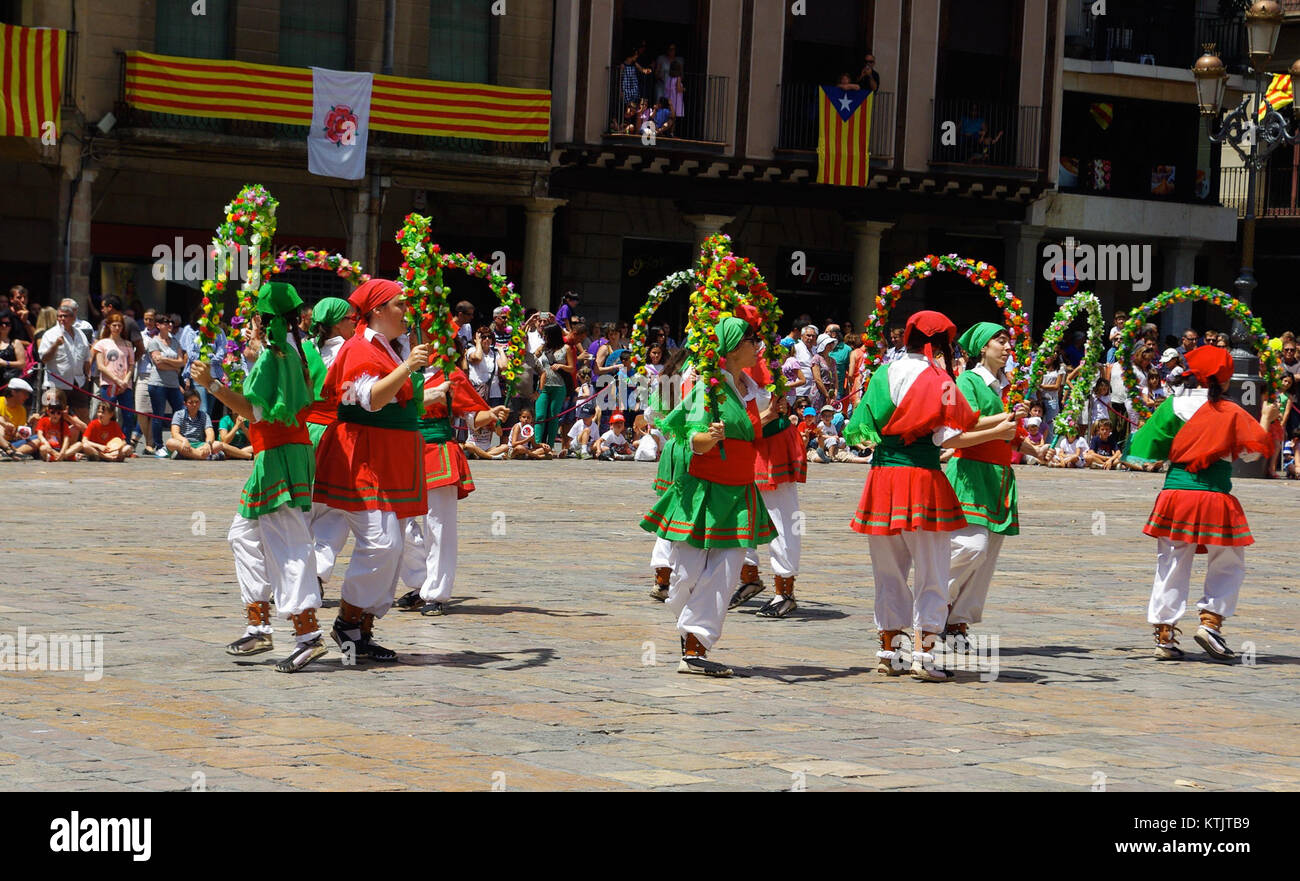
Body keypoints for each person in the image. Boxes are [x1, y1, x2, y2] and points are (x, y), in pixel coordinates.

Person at [845, 311, 1016, 682]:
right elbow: (952, 433)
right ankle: (925, 655)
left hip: (882, 477)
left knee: (888, 570)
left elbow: (860, 428)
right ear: (939, 344)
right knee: (933, 571)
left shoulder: (881, 373)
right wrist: (1000, 429)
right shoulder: (939, 379)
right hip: (922, 479)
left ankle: (889, 651)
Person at [195, 282, 329, 673]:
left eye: (255, 318)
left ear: (263, 321)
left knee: (289, 545)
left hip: (279, 456)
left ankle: (308, 636)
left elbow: (255, 411)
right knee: (242, 535)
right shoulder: (299, 351)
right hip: (282, 452)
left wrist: (213, 385)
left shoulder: (275, 355)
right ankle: (258, 624)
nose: (251, 327)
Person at [641, 317, 777, 676]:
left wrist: (767, 418)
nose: (758, 345)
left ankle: (695, 646)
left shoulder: (736, 387)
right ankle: (686, 625)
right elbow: (696, 440)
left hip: (737, 491)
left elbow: (743, 434)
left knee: (726, 569)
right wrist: (711, 437)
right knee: (687, 575)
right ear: (733, 348)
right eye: (752, 339)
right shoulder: (709, 390)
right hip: (704, 490)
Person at [1125, 346, 1275, 663]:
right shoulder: (1232, 412)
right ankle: (1211, 622)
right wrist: (1264, 418)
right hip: (1214, 494)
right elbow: (1253, 452)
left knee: (1171, 562)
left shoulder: (1173, 405)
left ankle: (1164, 635)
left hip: (1176, 494)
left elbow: (1147, 445)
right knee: (1228, 558)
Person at [312, 279, 431, 662]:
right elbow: (370, 399)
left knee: (392, 545)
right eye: (399, 305)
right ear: (377, 310)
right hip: (362, 455)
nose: (405, 312)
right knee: (383, 542)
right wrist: (409, 367)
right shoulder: (358, 347)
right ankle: (347, 619)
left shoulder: (387, 347)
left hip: (387, 456)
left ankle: (362, 628)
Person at [943, 323, 1048, 641]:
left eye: (1008, 342)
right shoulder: (968, 380)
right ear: (982, 348)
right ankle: (935, 596)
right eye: (999, 341)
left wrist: (1036, 449)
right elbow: (966, 421)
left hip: (999, 476)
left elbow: (1012, 435)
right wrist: (1009, 418)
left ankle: (958, 618)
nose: (1006, 347)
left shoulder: (1003, 386)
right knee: (971, 546)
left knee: (987, 556)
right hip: (971, 473)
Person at [394, 348, 510, 617]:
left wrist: (492, 414)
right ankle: (421, 579)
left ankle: (435, 592)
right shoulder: (398, 367)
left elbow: (472, 415)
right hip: (403, 451)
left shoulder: (449, 374)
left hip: (436, 450)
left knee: (438, 525)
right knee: (396, 523)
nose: (412, 336)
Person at [37, 300, 92, 424]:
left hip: (78, 383)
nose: (62, 319)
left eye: (65, 316)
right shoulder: (50, 334)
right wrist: (55, 345)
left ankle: (84, 441)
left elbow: (86, 358)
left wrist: (87, 375)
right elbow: (44, 359)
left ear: (73, 317)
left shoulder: (80, 335)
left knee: (83, 416)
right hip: (56, 384)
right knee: (49, 417)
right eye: (59, 316)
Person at [144, 313, 187, 456]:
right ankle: (159, 445)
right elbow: (158, 364)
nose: (170, 324)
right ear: (158, 325)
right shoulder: (154, 342)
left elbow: (182, 362)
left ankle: (180, 441)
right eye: (166, 322)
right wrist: (173, 366)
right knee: (159, 415)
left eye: (171, 322)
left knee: (180, 412)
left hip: (173, 384)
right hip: (158, 383)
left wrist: (166, 360)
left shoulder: (175, 341)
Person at [92, 312, 137, 444]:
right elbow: (100, 366)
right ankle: (105, 441)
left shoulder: (128, 344)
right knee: (107, 414)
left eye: (119, 326)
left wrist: (125, 381)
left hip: (125, 385)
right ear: (109, 326)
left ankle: (125, 443)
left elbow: (131, 365)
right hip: (108, 384)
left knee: (128, 416)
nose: (117, 328)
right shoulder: (102, 343)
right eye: (114, 325)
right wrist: (116, 380)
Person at [533, 324, 570, 448]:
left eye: (546, 334)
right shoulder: (543, 348)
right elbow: (531, 359)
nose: (544, 337)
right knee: (540, 415)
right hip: (543, 386)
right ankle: (537, 444)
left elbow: (572, 368)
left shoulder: (566, 348)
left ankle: (550, 445)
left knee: (553, 417)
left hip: (559, 386)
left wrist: (562, 366)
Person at [165, 388, 224, 460]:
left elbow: (210, 433)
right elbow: (175, 433)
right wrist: (184, 440)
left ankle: (186, 455)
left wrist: (208, 443)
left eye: (197, 402)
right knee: (170, 442)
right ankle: (202, 456)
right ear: (185, 404)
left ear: (200, 402)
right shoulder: (178, 414)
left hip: (199, 444)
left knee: (218, 444)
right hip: (183, 444)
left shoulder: (204, 415)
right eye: (191, 402)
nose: (194, 405)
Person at [33, 388, 85, 462]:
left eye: (51, 400)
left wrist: (68, 418)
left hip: (62, 444)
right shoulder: (44, 412)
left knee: (75, 430)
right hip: (47, 443)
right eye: (47, 400)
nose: (48, 402)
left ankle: (60, 456)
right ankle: (67, 456)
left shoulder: (65, 412)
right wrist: (33, 420)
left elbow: (85, 428)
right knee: (42, 446)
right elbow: (38, 434)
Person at [0, 377, 33, 459]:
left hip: (11, 443)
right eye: (25, 394)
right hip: (4, 442)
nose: (27, 397)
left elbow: (18, 434)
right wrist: (4, 424)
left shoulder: (22, 410)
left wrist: (18, 433)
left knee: (37, 439)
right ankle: (11, 451)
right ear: (13, 392)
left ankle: (11, 452)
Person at [0, 310, 30, 385]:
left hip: (9, 383)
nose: (4, 326)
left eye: (7, 324)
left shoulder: (15, 343)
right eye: (1, 323)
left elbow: (22, 364)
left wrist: (5, 363)